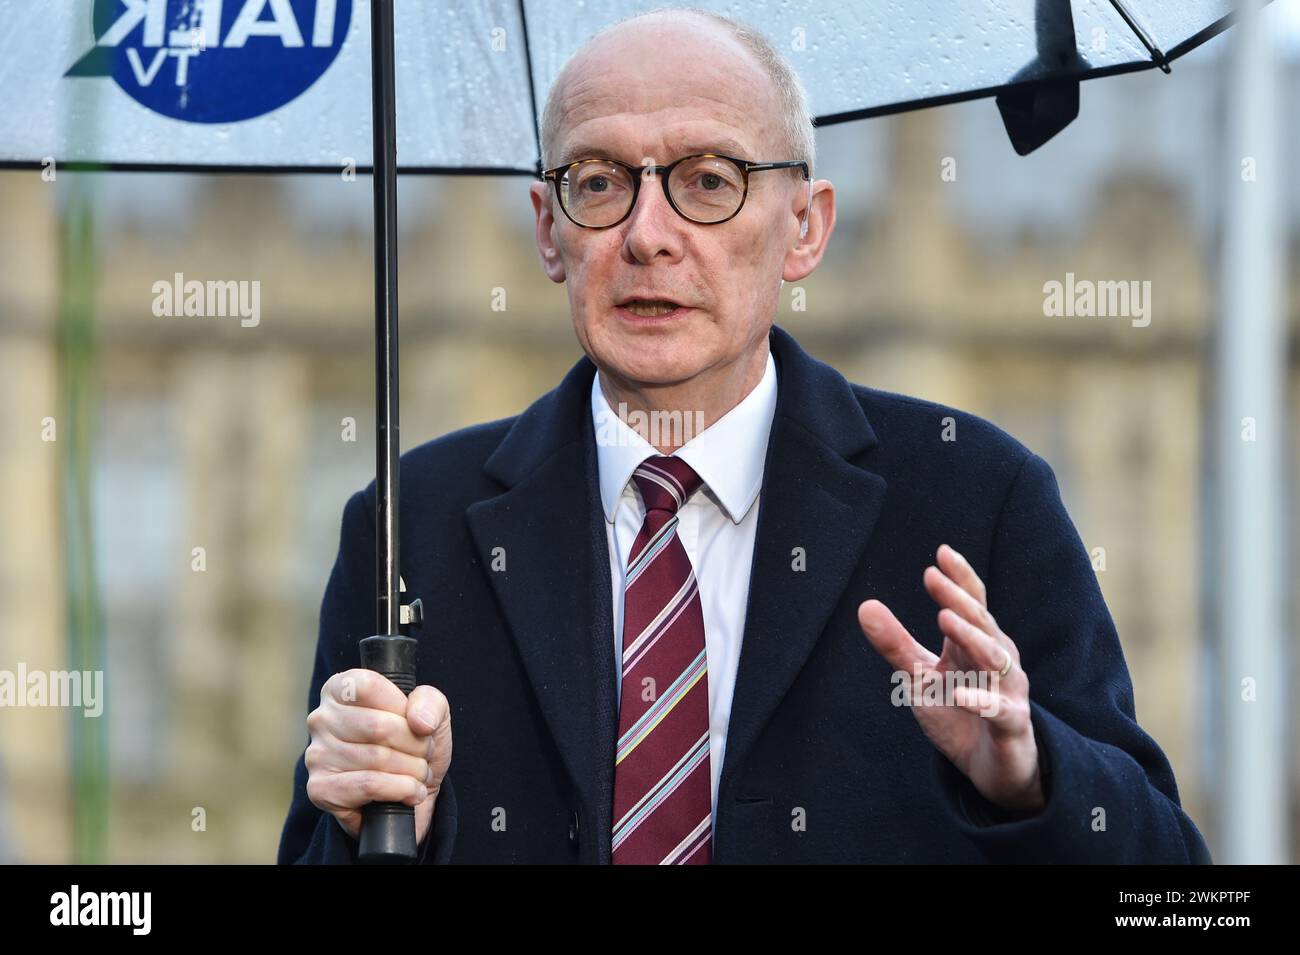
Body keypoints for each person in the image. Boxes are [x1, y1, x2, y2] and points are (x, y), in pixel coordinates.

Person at [278, 7, 1210, 864]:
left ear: (806, 226)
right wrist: (390, 824)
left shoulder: (979, 494)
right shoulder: (407, 527)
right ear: (549, 231)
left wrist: (1032, 777)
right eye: (598, 182)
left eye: (707, 182)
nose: (648, 234)